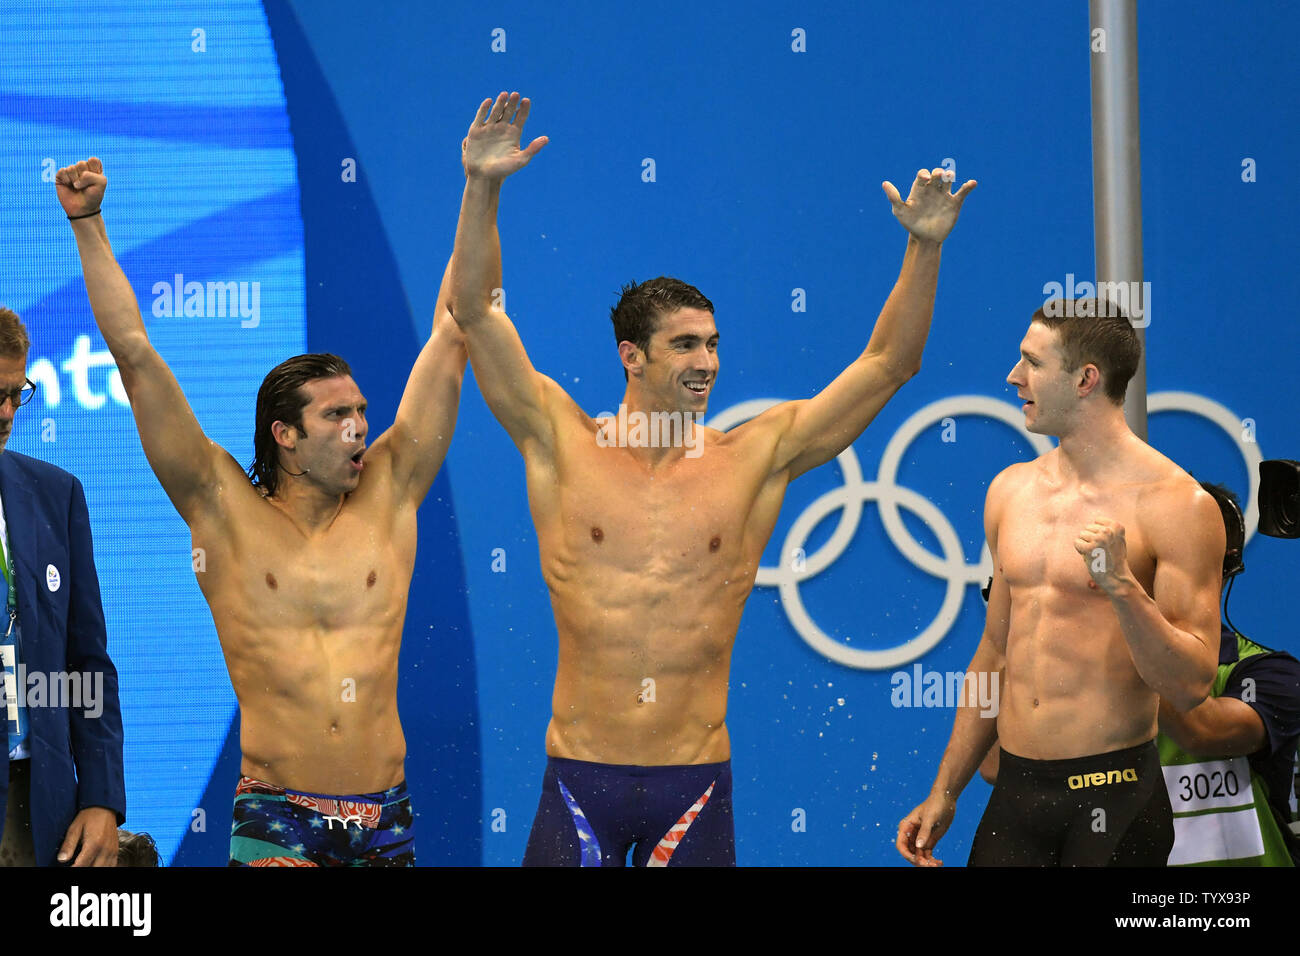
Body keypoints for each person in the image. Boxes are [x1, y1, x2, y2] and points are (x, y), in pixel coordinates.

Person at [448, 91, 976, 866]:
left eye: (714, 344)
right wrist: (483, 187)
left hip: (693, 785)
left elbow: (889, 364)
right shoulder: (560, 440)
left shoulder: (754, 456)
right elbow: (476, 315)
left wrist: (924, 249)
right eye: (686, 346)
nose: (709, 363)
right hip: (578, 778)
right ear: (633, 356)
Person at [56, 158, 468, 866]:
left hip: (386, 816)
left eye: (363, 413)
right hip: (278, 818)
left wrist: (480, 187)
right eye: (338, 416)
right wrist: (88, 223)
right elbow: (134, 354)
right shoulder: (222, 509)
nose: (360, 428)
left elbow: (457, 331)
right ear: (285, 435)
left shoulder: (392, 490)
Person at [897, 298, 1223, 867]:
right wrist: (946, 789)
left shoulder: (1176, 506)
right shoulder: (1011, 491)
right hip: (1018, 795)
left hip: (1117, 796)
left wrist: (1123, 588)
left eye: (1032, 363)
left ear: (1085, 379)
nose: (1013, 376)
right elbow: (993, 655)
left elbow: (1191, 683)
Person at [0, 307, 124, 867]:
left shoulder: (56, 494)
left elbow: (85, 664)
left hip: (39, 806)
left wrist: (101, 796)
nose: (6, 413)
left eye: (15, 393)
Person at [1156, 481, 1300, 866]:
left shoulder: (1272, 675)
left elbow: (1203, 732)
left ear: (1218, 570)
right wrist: (1004, 642)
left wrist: (1119, 622)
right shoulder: (1094, 680)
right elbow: (995, 767)